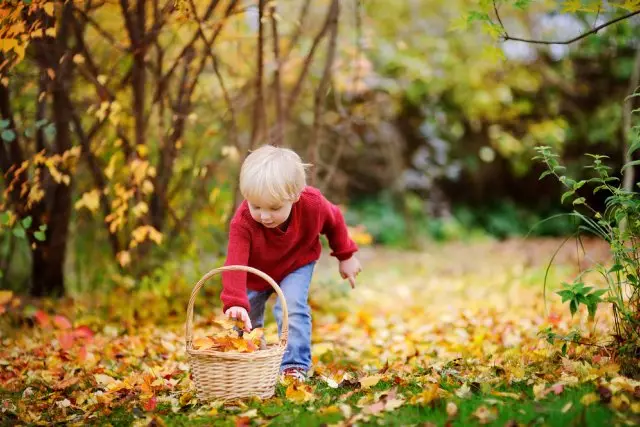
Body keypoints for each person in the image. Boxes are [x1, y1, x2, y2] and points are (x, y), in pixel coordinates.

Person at [221, 144, 362, 382]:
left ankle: (294, 365)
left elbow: (334, 220)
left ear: (295, 196)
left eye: (274, 208)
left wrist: (345, 255)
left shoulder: (312, 203)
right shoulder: (243, 222)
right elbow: (235, 262)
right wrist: (236, 302)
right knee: (245, 319)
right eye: (256, 207)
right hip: (255, 273)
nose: (264, 216)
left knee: (291, 306)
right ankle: (251, 363)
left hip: (296, 263)